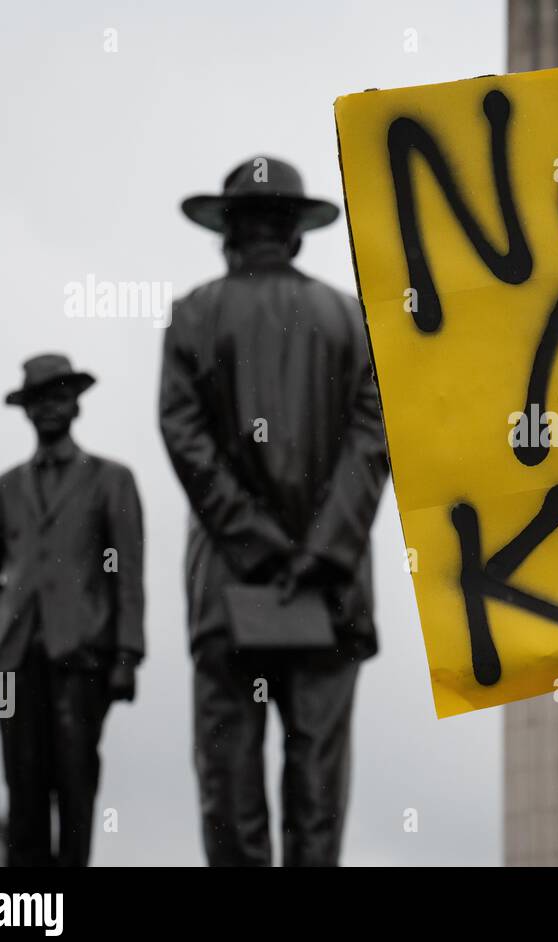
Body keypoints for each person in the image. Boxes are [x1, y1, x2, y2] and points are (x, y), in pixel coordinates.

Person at [160, 156, 388, 866]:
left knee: (230, 792)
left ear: (229, 233)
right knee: (318, 795)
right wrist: (323, 549)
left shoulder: (196, 314)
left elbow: (185, 436)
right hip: (333, 590)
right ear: (295, 235)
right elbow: (375, 439)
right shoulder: (351, 320)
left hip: (230, 589)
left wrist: (256, 543)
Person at [0, 353, 145, 866]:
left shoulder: (112, 481)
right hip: (17, 664)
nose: (50, 408)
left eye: (59, 397)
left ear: (76, 405)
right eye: (38, 399)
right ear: (26, 411)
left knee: (74, 789)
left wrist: (126, 655)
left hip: (82, 661)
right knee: (22, 792)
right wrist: (11, 618)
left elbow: (127, 578)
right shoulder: (1, 491)